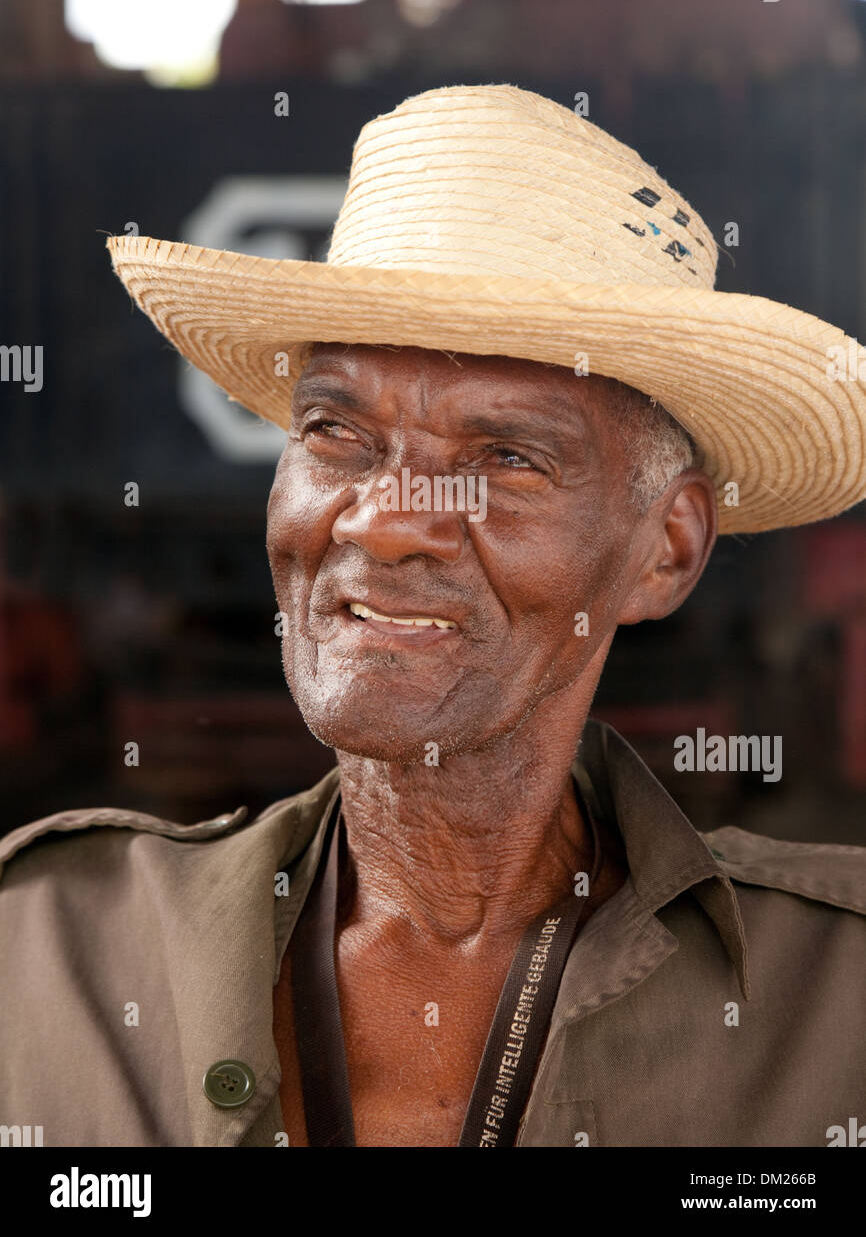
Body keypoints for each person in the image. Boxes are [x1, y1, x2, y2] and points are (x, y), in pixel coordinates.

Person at [2, 85, 865, 1148]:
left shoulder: (836, 1003)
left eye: (505, 457)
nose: (386, 520)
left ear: (666, 548)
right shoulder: (39, 956)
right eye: (334, 430)